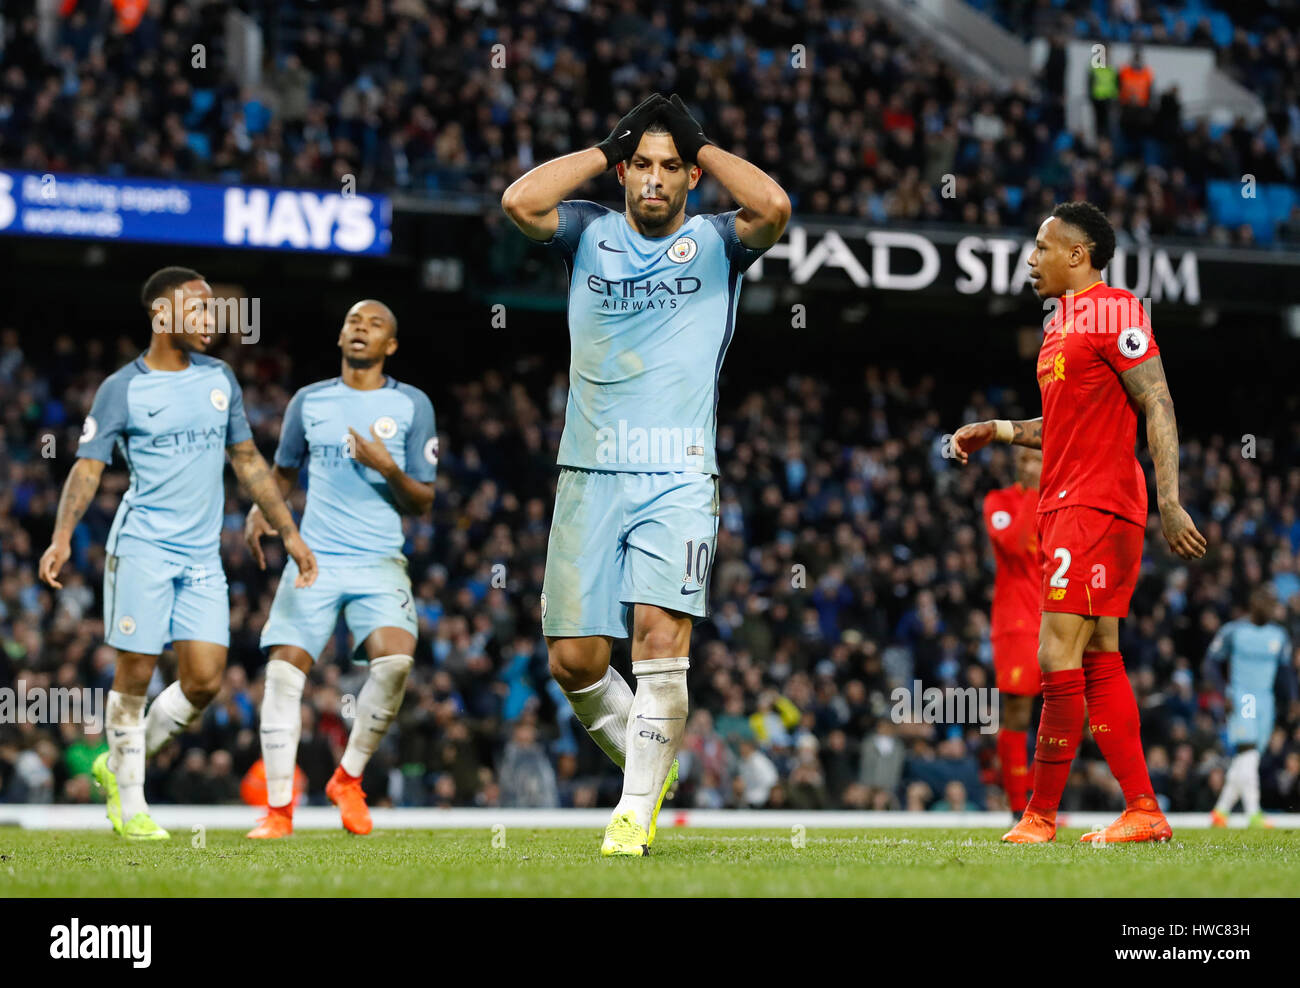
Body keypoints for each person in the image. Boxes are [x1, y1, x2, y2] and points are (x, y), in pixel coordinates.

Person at [501, 93, 790, 855]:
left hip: (679, 474)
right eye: (642, 166)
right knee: (574, 661)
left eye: (671, 167)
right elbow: (518, 200)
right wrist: (605, 145)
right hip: (588, 469)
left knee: (658, 641)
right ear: (625, 173)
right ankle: (648, 766)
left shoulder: (718, 240)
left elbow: (775, 204)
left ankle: (631, 816)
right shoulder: (588, 231)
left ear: (691, 177)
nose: (654, 180)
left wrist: (703, 140)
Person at [952, 201, 1206, 843]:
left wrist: (1171, 500)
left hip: (1096, 503)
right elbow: (1062, 428)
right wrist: (1000, 430)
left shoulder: (1117, 310)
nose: (1031, 258)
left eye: (1042, 247)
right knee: (1099, 654)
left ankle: (1039, 815)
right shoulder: (1062, 323)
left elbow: (1158, 400)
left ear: (1078, 253)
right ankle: (1142, 810)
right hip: (1070, 500)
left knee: (1054, 652)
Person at [38, 266, 316, 840]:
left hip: (200, 557)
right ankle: (132, 802)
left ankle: (118, 762)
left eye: (213, 310)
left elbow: (247, 460)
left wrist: (288, 529)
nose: (212, 321)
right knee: (135, 670)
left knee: (205, 680)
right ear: (162, 316)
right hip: (141, 546)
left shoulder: (220, 380)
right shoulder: (123, 388)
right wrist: (62, 536)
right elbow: (87, 469)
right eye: (199, 309)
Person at [243, 299, 437, 838]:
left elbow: (423, 500)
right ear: (340, 335)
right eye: (354, 321)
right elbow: (282, 474)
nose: (361, 329)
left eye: (375, 325)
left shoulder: (412, 405)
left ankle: (347, 779)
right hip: (316, 558)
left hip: (379, 560)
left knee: (396, 663)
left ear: (390, 346)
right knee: (283, 674)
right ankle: (279, 813)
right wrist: (263, 509)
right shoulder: (309, 402)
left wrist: (387, 466)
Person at [983, 446, 1043, 819]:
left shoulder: (1061, 500)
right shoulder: (999, 501)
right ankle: (1019, 807)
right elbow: (1015, 546)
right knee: (1018, 711)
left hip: (1058, 615)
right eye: (1023, 460)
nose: (1029, 466)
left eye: (1036, 459)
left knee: (1078, 710)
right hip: (1017, 622)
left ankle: (1038, 789)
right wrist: (1035, 491)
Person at [1206, 586, 1294, 828]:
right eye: (1265, 603)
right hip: (1244, 698)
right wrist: (1224, 691)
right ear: (1253, 605)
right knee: (1249, 753)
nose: (1269, 608)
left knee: (1248, 758)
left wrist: (1294, 699)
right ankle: (1254, 812)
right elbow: (1211, 662)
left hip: (1265, 700)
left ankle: (1220, 812)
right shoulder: (1234, 631)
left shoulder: (1279, 635)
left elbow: (1285, 672)